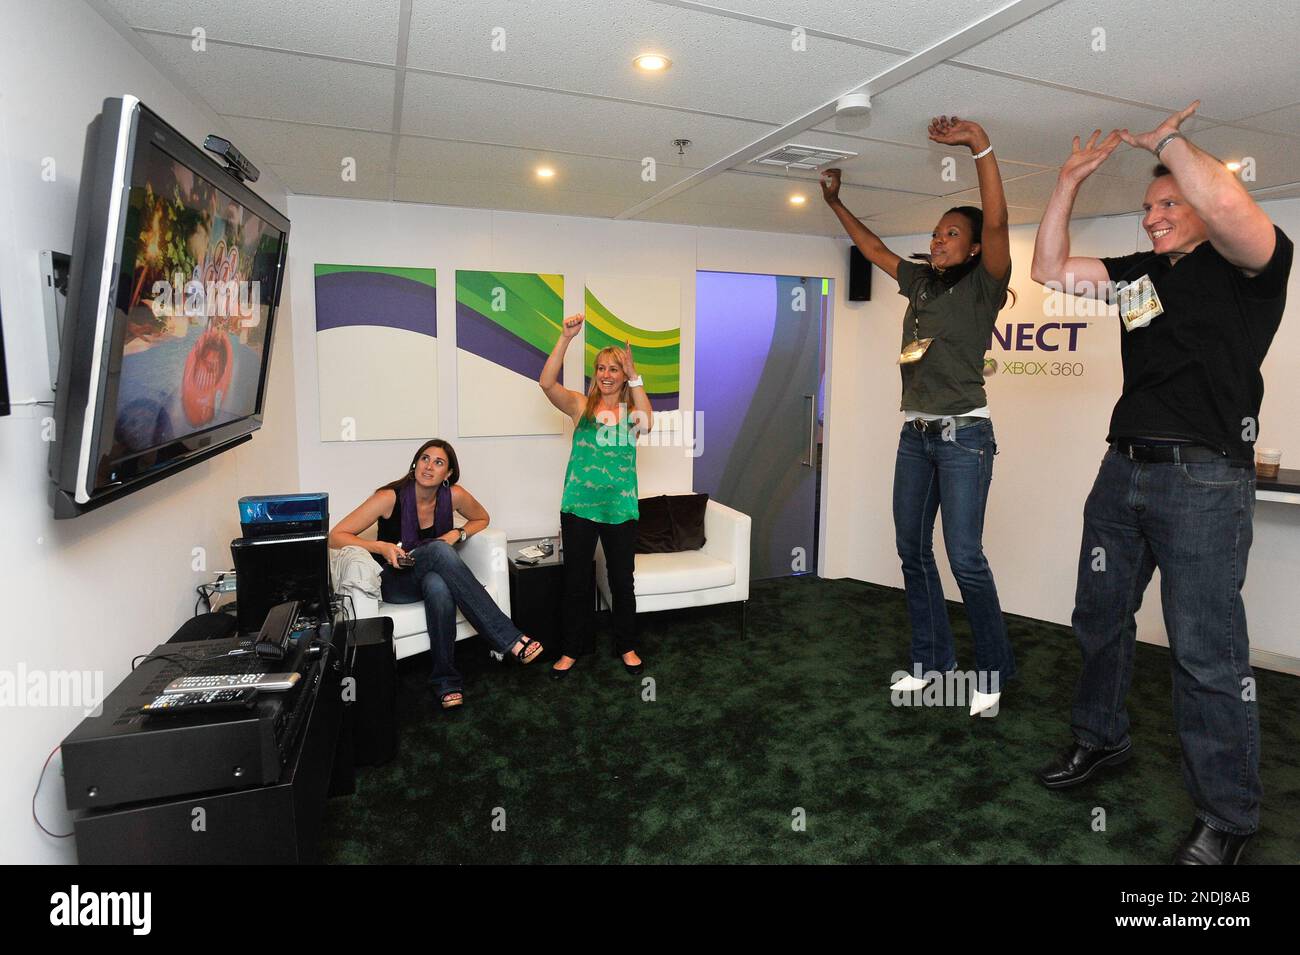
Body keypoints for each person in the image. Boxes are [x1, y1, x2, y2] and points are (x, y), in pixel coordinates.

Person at [1029, 102, 1292, 864]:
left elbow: (1232, 206)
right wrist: (1068, 183)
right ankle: (1099, 738)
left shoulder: (1251, 267)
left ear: (1202, 206)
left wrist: (1169, 144)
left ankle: (1228, 816)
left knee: (1206, 653)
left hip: (1204, 481)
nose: (1152, 218)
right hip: (1124, 471)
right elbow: (1049, 270)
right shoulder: (1139, 280)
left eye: (1168, 203)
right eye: (1146, 207)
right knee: (1100, 616)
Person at [821, 115, 1016, 716]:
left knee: (965, 557)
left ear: (976, 246)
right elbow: (874, 249)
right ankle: (933, 664)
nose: (937, 240)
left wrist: (979, 145)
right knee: (911, 549)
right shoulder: (922, 283)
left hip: (965, 437)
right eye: (935, 232)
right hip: (917, 434)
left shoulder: (985, 284)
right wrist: (835, 200)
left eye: (950, 233)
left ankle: (992, 672)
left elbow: (1000, 219)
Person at [329, 439, 543, 709]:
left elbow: (482, 518)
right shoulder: (389, 497)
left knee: (438, 584)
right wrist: (379, 546)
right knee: (440, 550)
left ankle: (446, 681)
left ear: (449, 473)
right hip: (395, 581)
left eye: (438, 462)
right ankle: (509, 638)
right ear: (415, 463)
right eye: (424, 459)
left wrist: (458, 533)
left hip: (428, 577)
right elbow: (336, 536)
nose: (429, 466)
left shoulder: (455, 495)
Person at [540, 314, 653, 679]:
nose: (607, 374)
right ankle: (571, 649)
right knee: (576, 580)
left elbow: (649, 423)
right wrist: (565, 338)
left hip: (620, 509)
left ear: (624, 375)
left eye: (615, 369)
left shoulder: (632, 413)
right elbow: (545, 383)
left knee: (622, 580)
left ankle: (627, 645)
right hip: (579, 508)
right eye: (602, 368)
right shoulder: (579, 406)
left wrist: (636, 374)